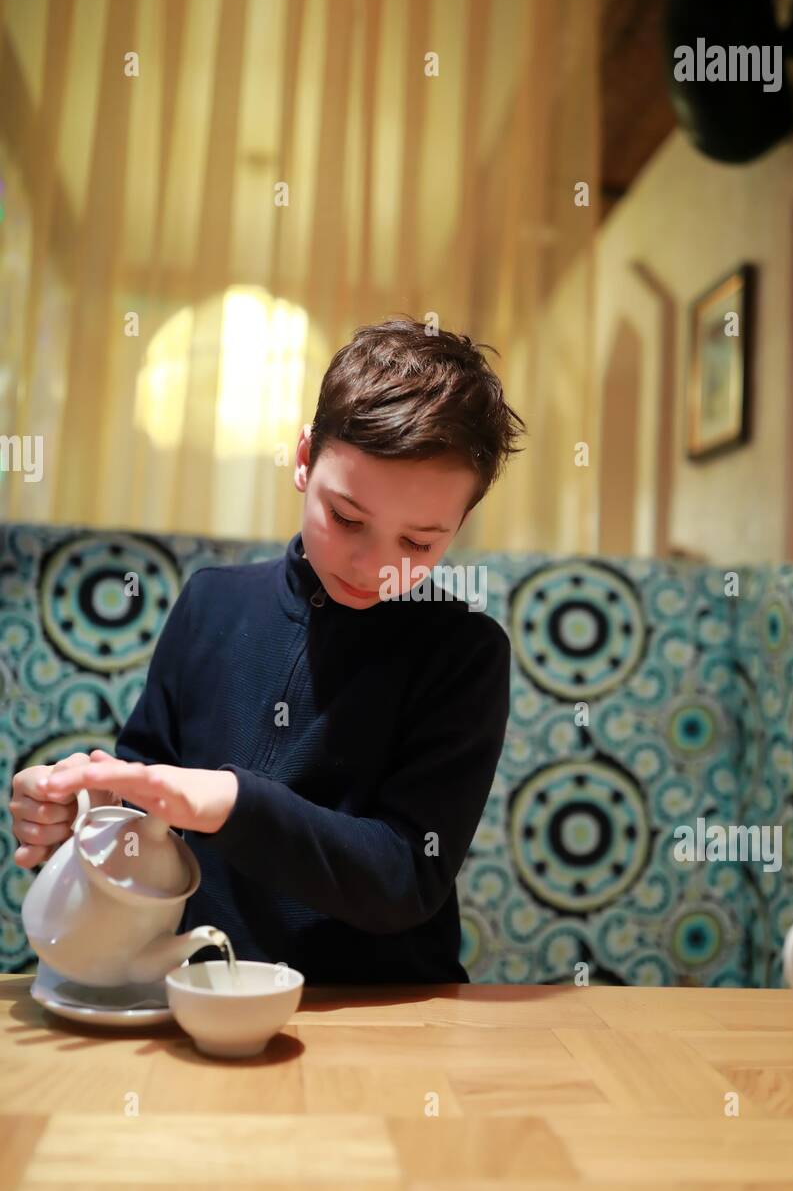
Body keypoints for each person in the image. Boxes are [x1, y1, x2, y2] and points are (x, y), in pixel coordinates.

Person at [11, 317, 527, 984]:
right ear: (305, 458)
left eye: (419, 543)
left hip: (385, 1011)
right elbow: (144, 791)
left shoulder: (463, 653)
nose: (373, 564)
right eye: (347, 518)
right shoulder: (211, 605)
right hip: (197, 991)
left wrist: (231, 803)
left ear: (460, 524)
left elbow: (405, 874)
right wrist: (81, 805)